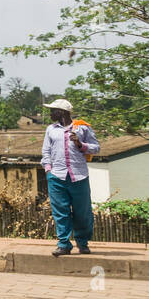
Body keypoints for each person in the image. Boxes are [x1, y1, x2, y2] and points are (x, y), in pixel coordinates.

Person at [41, 98, 101, 256]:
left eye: (53, 111)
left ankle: (82, 243)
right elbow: (46, 151)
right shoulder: (51, 130)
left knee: (83, 212)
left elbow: (96, 148)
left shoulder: (82, 128)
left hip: (79, 176)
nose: (50, 114)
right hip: (56, 176)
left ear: (61, 112)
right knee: (60, 212)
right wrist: (48, 169)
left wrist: (81, 145)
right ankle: (64, 244)